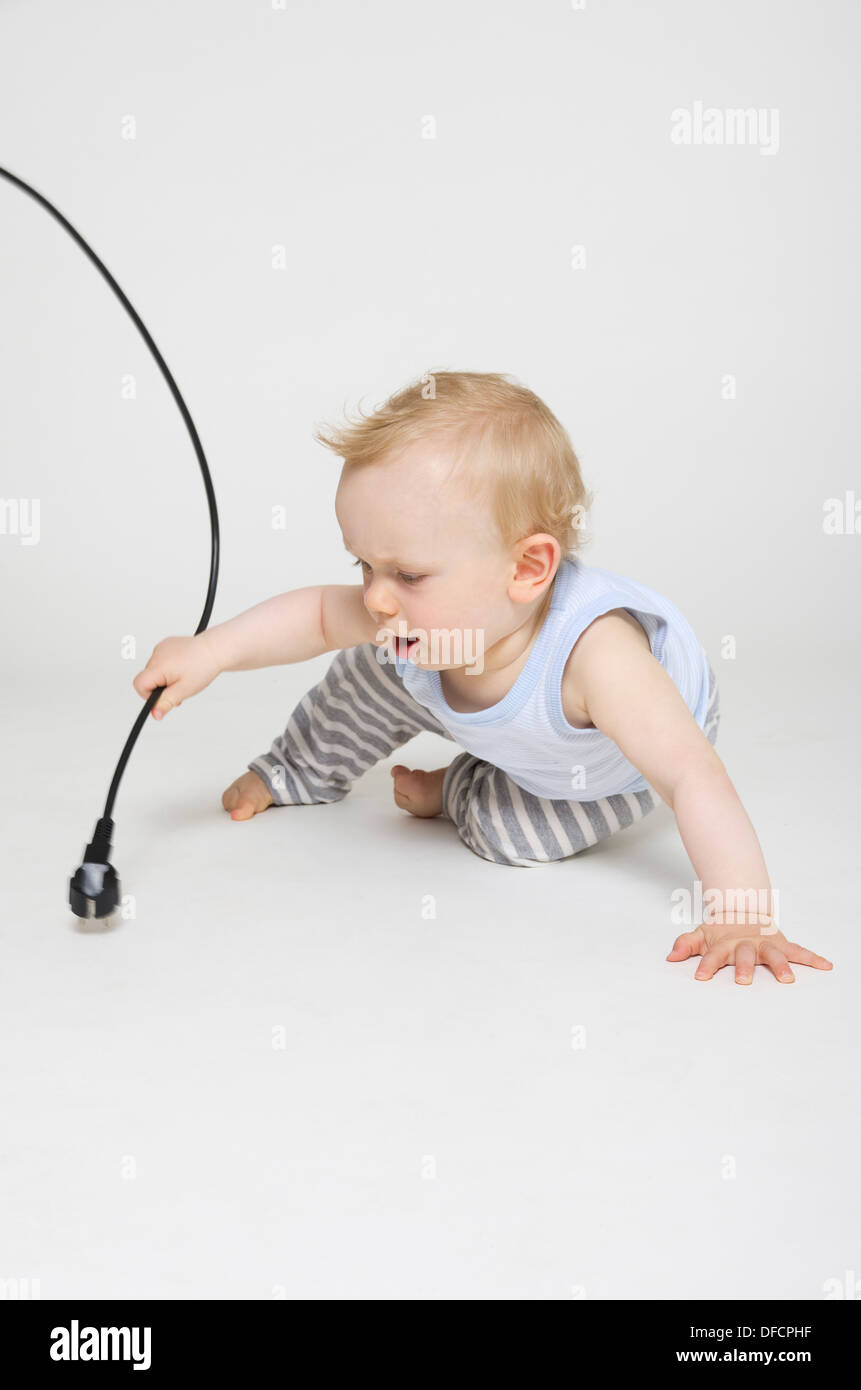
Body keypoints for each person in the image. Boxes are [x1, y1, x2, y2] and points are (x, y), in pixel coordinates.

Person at [133, 370, 832, 987]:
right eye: (364, 567)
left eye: (406, 574)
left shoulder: (597, 658)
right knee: (376, 662)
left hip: (608, 762)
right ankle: (298, 770)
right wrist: (211, 651)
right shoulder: (408, 616)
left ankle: (461, 786)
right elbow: (317, 616)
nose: (376, 595)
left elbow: (691, 776)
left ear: (527, 570)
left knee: (508, 836)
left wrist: (740, 916)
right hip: (475, 684)